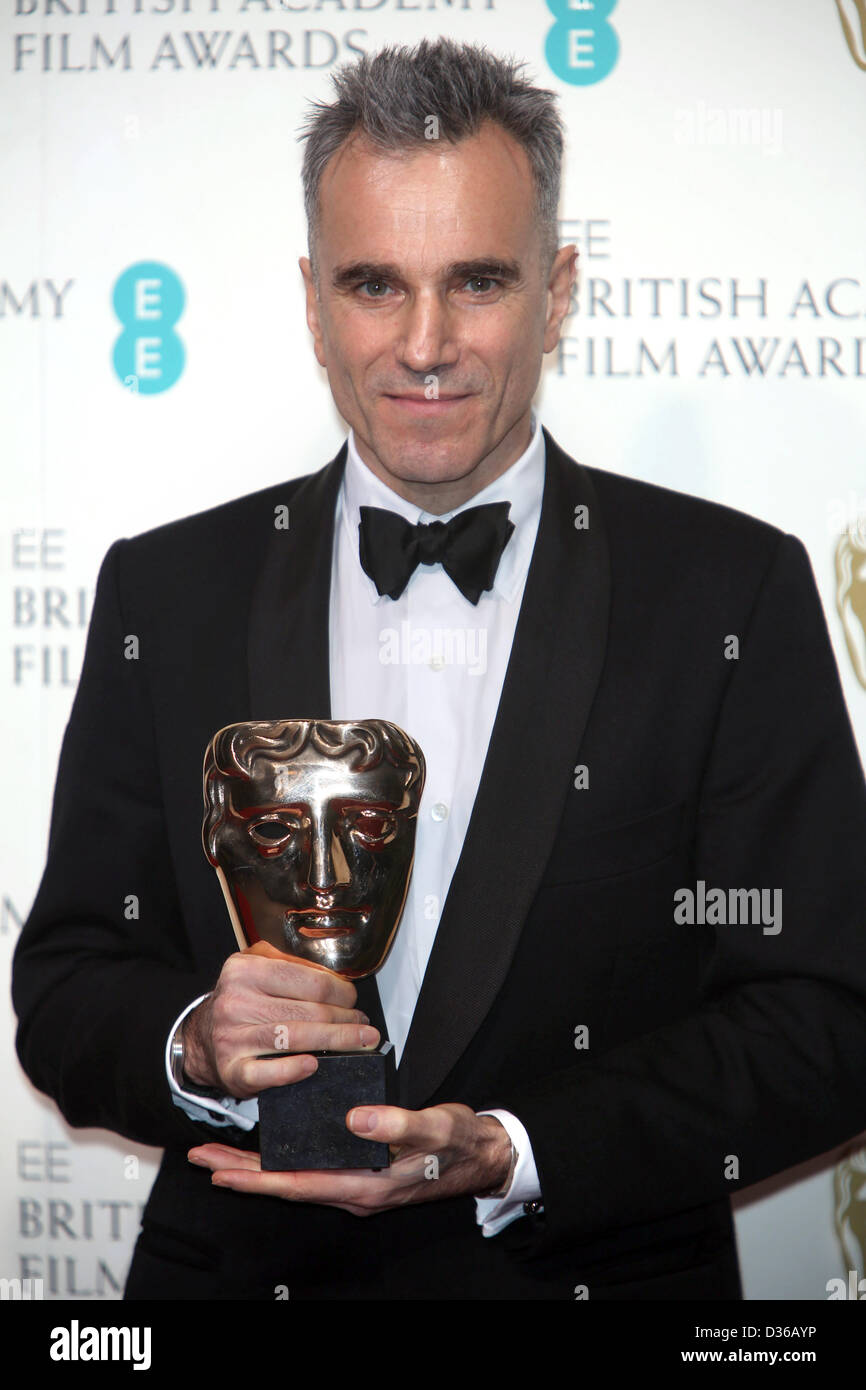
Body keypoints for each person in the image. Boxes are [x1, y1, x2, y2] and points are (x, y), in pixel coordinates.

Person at [13, 38, 866, 1302]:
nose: (424, 344)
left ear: (557, 290)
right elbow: (72, 979)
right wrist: (195, 1043)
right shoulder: (167, 591)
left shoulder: (725, 592)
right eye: (373, 285)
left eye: (476, 282)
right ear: (311, 302)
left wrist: (515, 1150)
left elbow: (826, 1017)